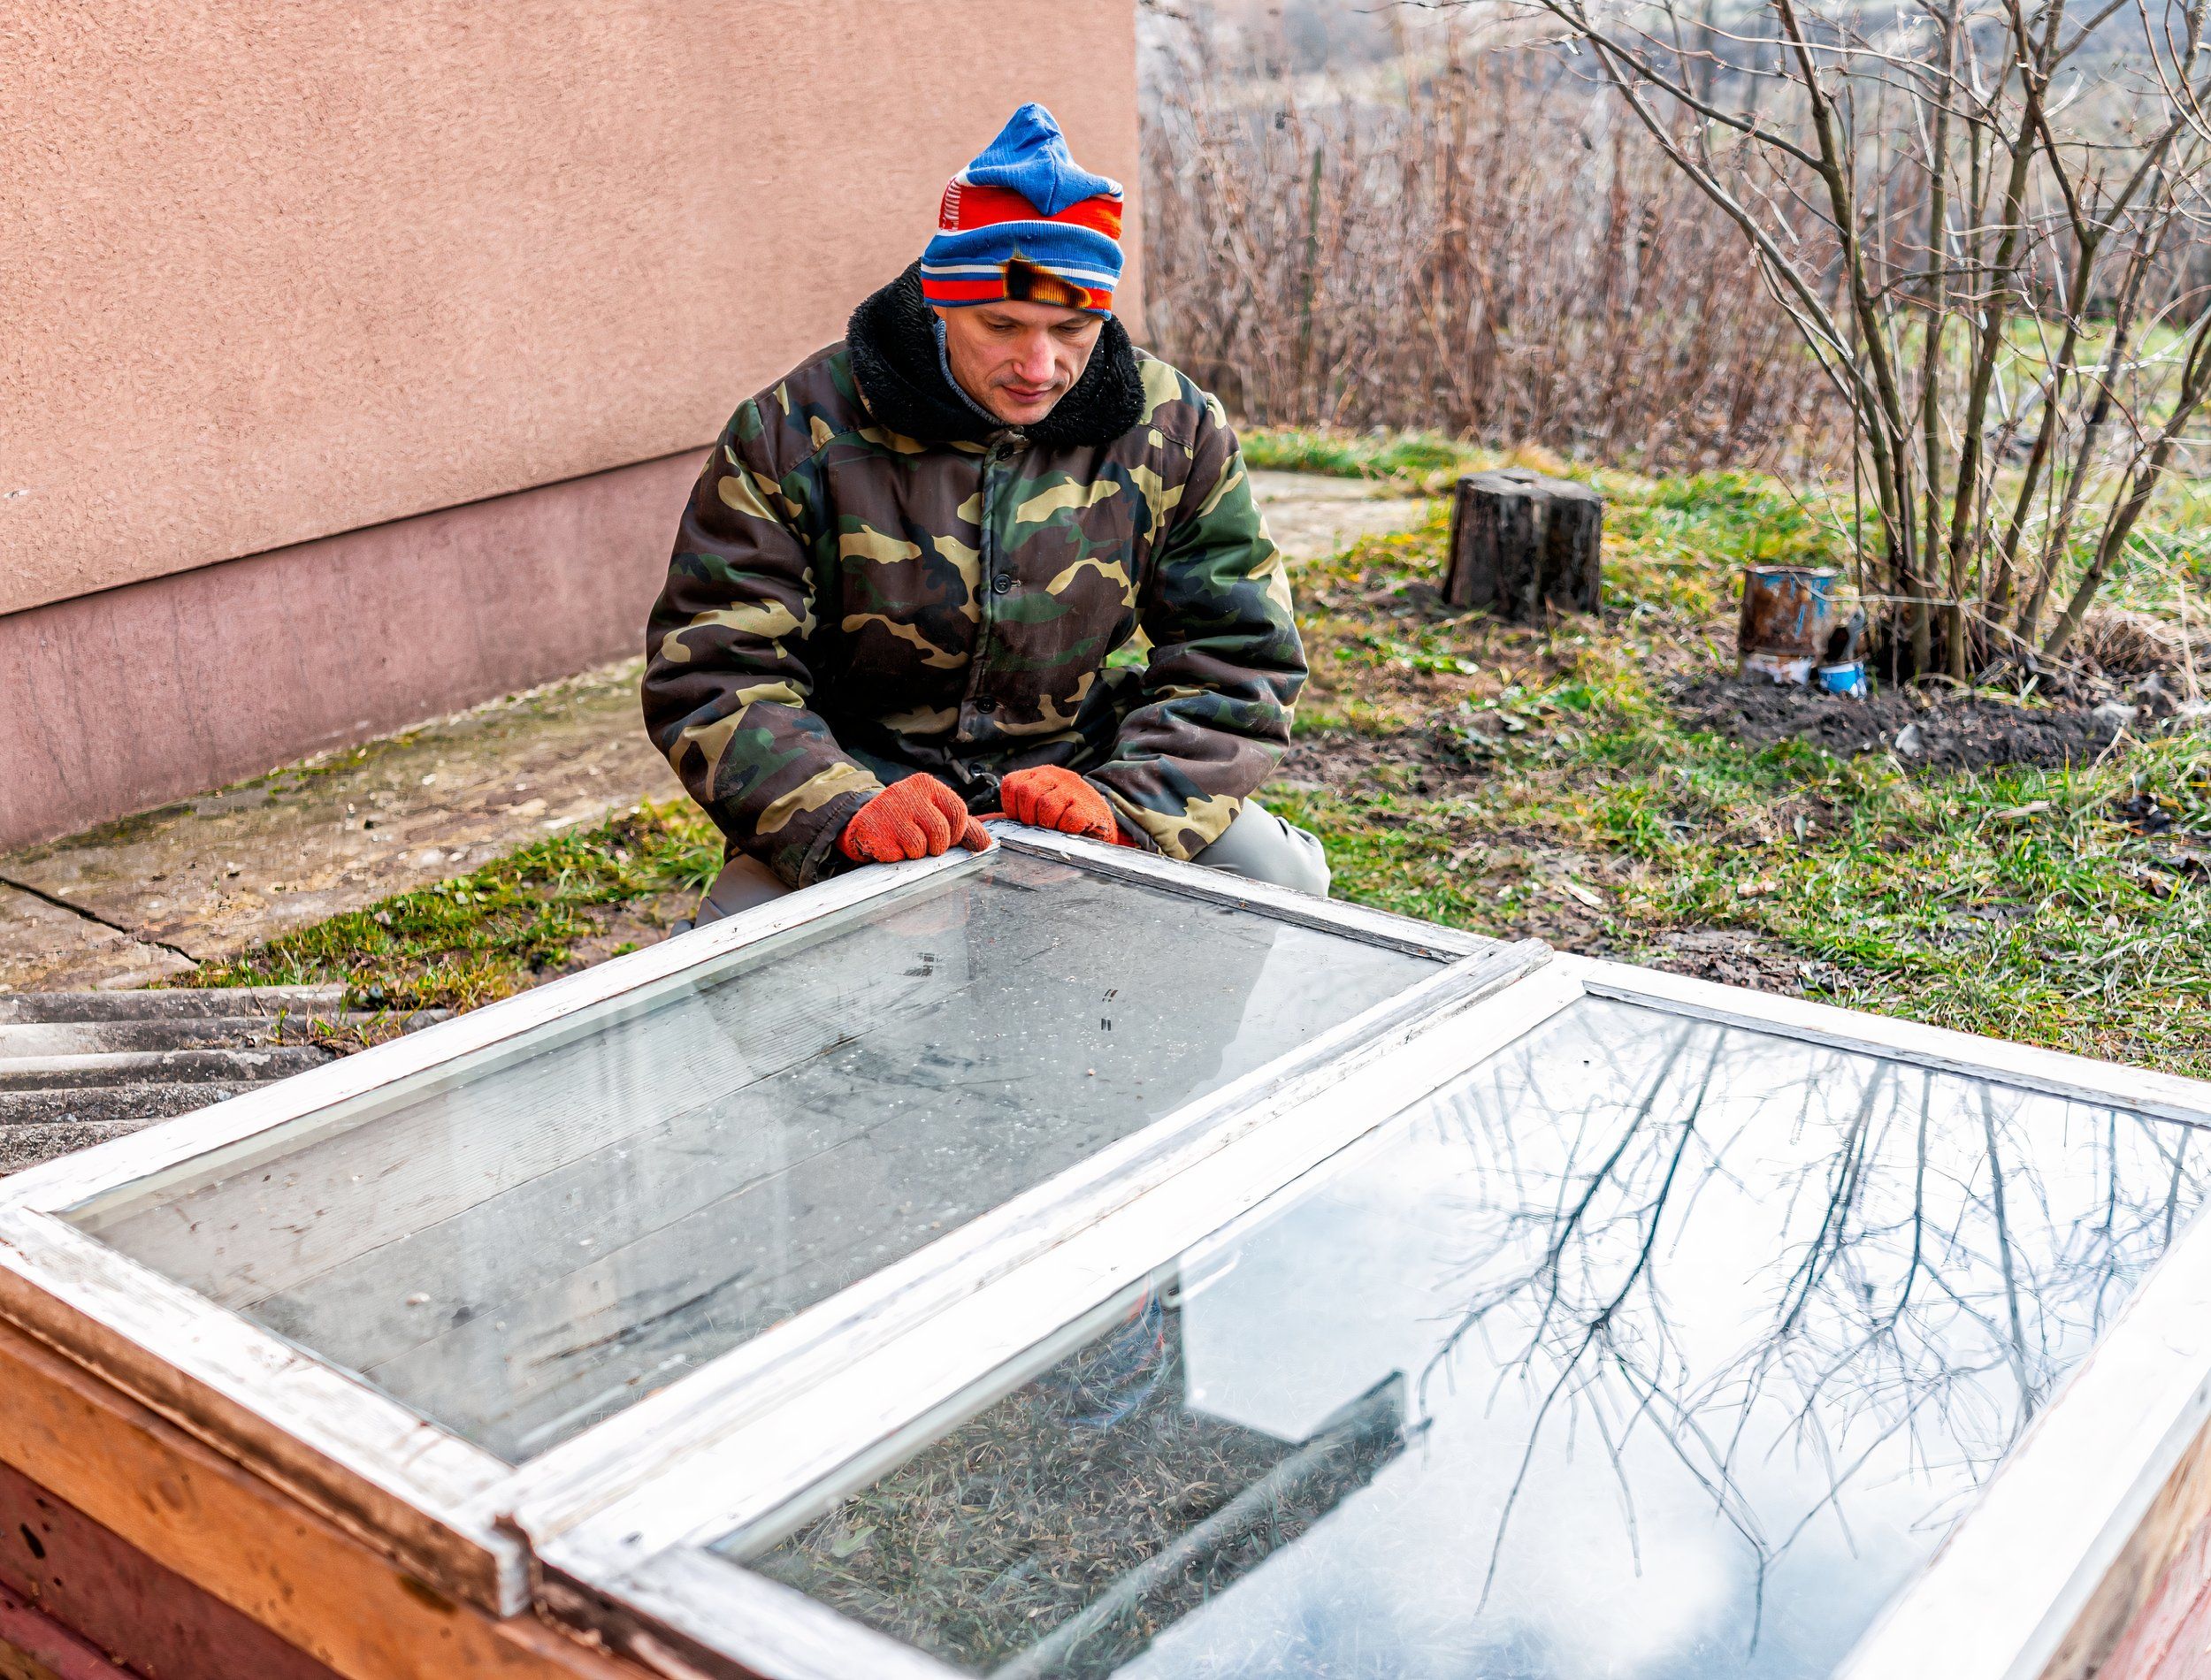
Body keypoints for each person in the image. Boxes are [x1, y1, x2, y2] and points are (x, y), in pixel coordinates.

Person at [642, 103, 1326, 925]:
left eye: (1072, 327)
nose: (1040, 366)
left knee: (1279, 879)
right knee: (736, 946)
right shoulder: (793, 431)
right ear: (940, 302)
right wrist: (841, 810)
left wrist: (1126, 803)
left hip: (1079, 775)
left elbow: (1241, 652)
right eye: (1001, 324)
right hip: (870, 787)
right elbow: (715, 669)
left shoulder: (1173, 427)